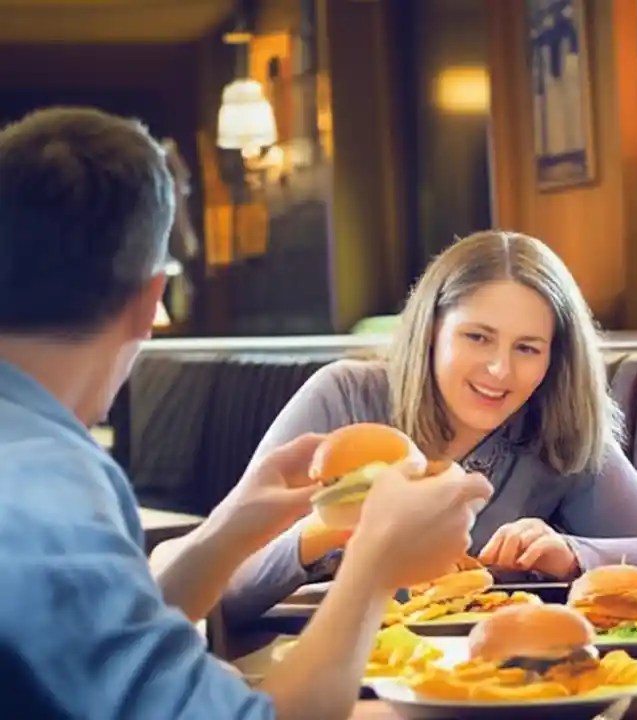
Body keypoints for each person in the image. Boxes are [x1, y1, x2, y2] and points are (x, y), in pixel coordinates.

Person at [0, 106, 491, 719]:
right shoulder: (49, 488)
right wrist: (374, 569)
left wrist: (226, 533)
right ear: (149, 301)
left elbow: (90, 640)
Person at [219, 230, 637, 625]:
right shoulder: (345, 397)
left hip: (489, 684)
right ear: (433, 329)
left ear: (554, 359)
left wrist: (575, 553)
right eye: (477, 337)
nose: (500, 370)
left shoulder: (558, 425)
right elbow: (221, 585)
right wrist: (326, 528)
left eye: (528, 349)